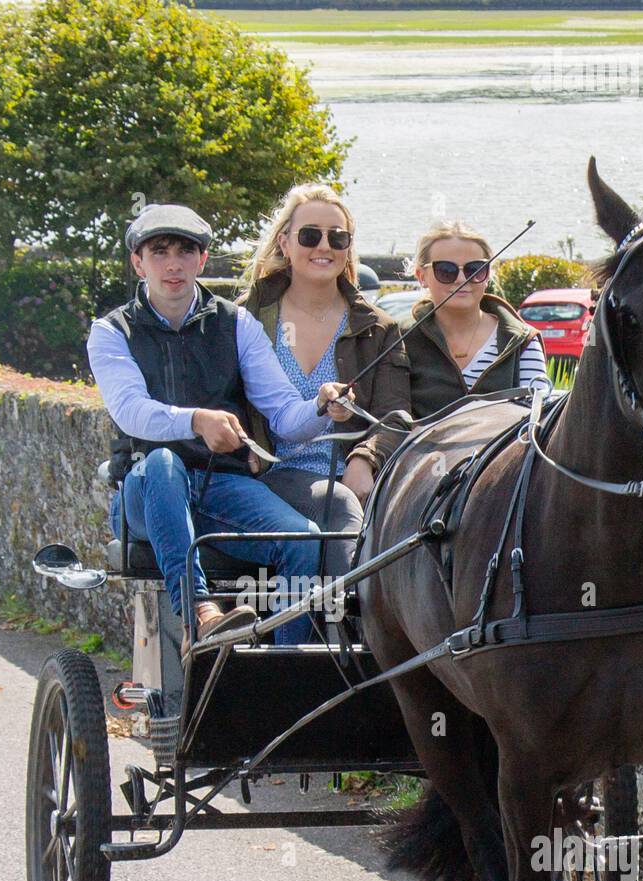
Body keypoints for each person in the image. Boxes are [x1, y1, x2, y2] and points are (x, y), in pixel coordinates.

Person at [86, 204, 355, 648]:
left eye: (186, 251)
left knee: (306, 543)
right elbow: (130, 410)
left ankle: (283, 669)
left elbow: (285, 414)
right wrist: (196, 420)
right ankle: (199, 611)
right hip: (146, 489)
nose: (173, 264)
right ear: (138, 261)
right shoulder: (112, 331)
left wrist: (323, 406)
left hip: (220, 486)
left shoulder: (237, 323)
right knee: (163, 463)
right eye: (160, 251)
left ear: (202, 261)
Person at [239, 183, 410, 577]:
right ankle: (344, 627)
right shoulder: (245, 319)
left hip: (352, 474)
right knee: (338, 506)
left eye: (338, 238)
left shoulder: (378, 328)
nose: (324, 247)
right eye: (310, 235)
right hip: (271, 474)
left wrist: (365, 458)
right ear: (284, 242)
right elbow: (219, 398)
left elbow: (396, 415)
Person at [345, 219, 545, 496]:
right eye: (446, 270)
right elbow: (392, 417)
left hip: (504, 485)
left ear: (488, 274)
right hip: (419, 488)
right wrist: (365, 458)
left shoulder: (523, 341)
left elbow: (539, 423)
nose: (462, 280)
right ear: (421, 275)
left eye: (475, 270)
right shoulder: (397, 337)